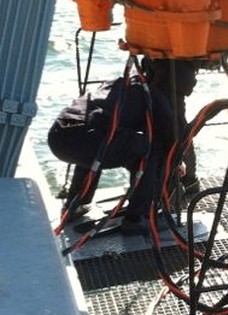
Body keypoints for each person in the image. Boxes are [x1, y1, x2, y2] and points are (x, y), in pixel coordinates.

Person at [48, 75, 175, 235]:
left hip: (58, 135)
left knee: (98, 141)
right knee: (152, 151)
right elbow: (169, 139)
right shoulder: (156, 97)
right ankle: (137, 219)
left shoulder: (117, 83)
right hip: (88, 136)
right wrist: (178, 163)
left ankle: (76, 205)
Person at [143, 57, 200, 196]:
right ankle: (185, 180)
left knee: (176, 126)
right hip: (165, 67)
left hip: (172, 71)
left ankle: (184, 180)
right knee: (174, 125)